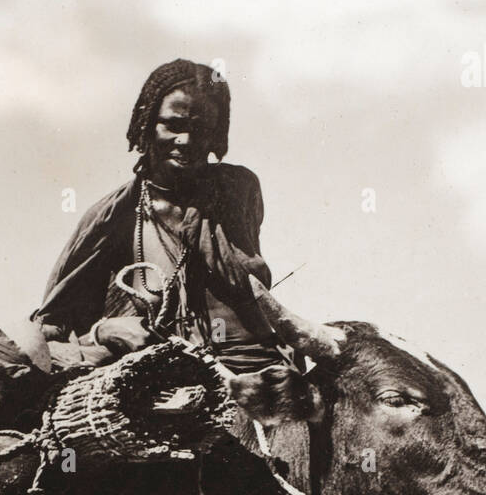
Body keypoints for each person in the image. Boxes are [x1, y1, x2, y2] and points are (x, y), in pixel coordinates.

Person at [30, 58, 292, 378]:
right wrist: (103, 330)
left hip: (266, 370)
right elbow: (53, 326)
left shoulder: (237, 189)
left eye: (201, 129)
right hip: (179, 379)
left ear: (216, 134)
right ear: (147, 122)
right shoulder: (114, 217)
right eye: (174, 125)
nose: (187, 141)